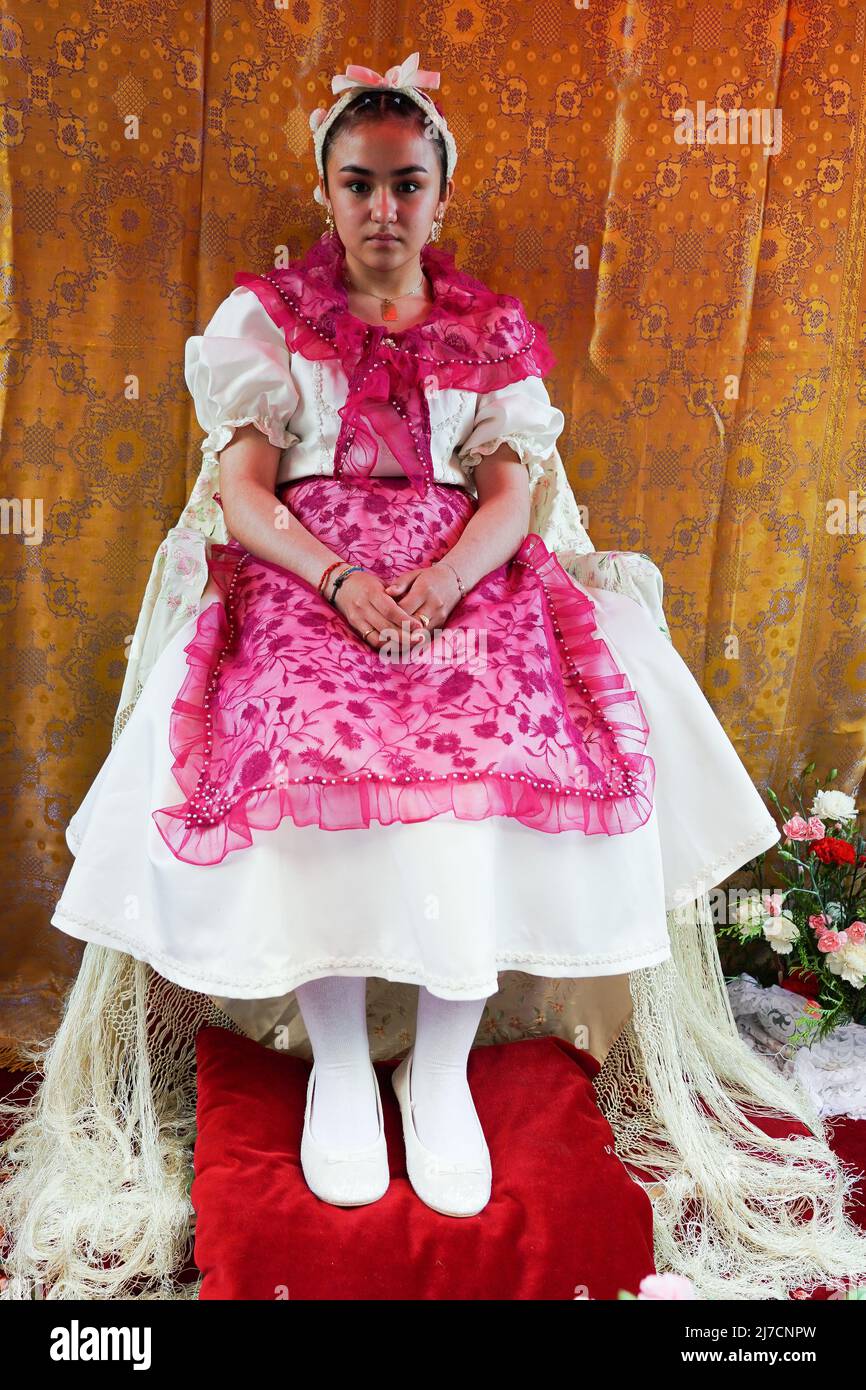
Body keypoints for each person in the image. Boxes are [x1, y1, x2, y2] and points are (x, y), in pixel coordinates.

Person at [4, 52, 866, 1297]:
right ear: (326, 191)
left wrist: (449, 581)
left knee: (495, 734)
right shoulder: (271, 322)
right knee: (303, 733)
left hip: (459, 577)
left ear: (438, 197)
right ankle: (344, 1058)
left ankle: (445, 1065)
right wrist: (337, 580)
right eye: (358, 184)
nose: (382, 211)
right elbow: (245, 489)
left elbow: (513, 488)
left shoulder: (486, 331)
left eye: (407, 185)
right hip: (312, 579)